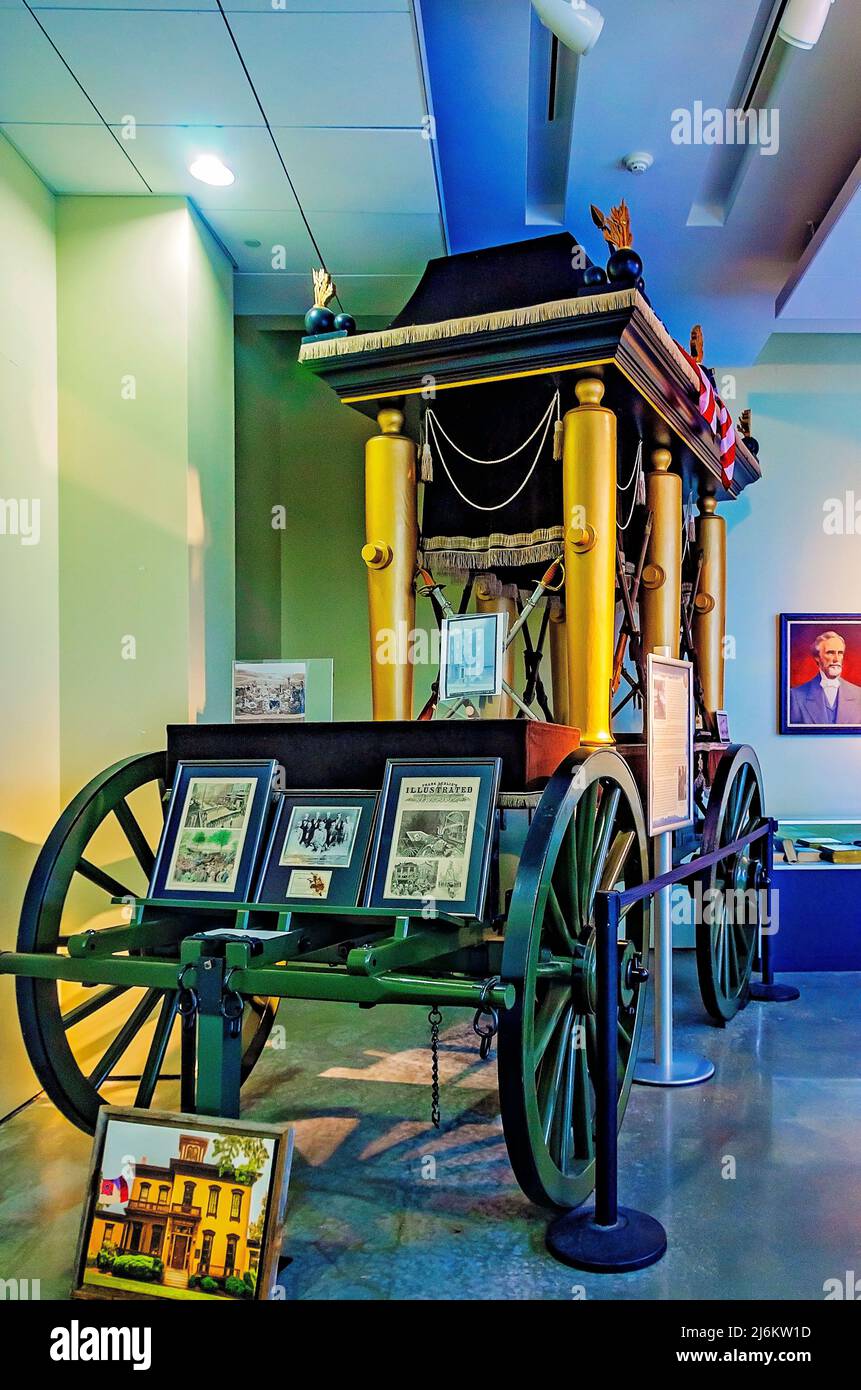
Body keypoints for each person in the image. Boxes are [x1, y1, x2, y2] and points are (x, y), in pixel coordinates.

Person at [789, 630, 861, 725]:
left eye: (840, 653)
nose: (836, 659)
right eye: (830, 653)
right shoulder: (796, 696)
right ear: (817, 657)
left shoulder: (859, 694)